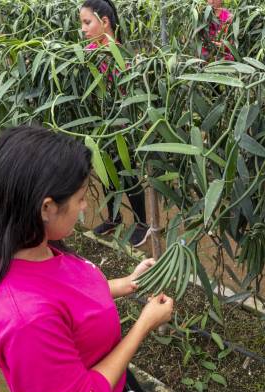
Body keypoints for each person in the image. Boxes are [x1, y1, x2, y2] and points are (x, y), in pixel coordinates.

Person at [0, 126, 174, 392]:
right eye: (80, 198)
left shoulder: (31, 249)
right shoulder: (25, 321)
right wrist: (144, 324)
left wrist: (127, 283)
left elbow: (68, 300)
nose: (84, 206)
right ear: (46, 207)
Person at [80, 0, 150, 246]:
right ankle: (114, 217)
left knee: (127, 172)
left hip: (121, 126)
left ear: (105, 22)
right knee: (105, 171)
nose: (83, 29)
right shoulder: (89, 52)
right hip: (101, 126)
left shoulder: (120, 56)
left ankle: (142, 223)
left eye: (87, 22)